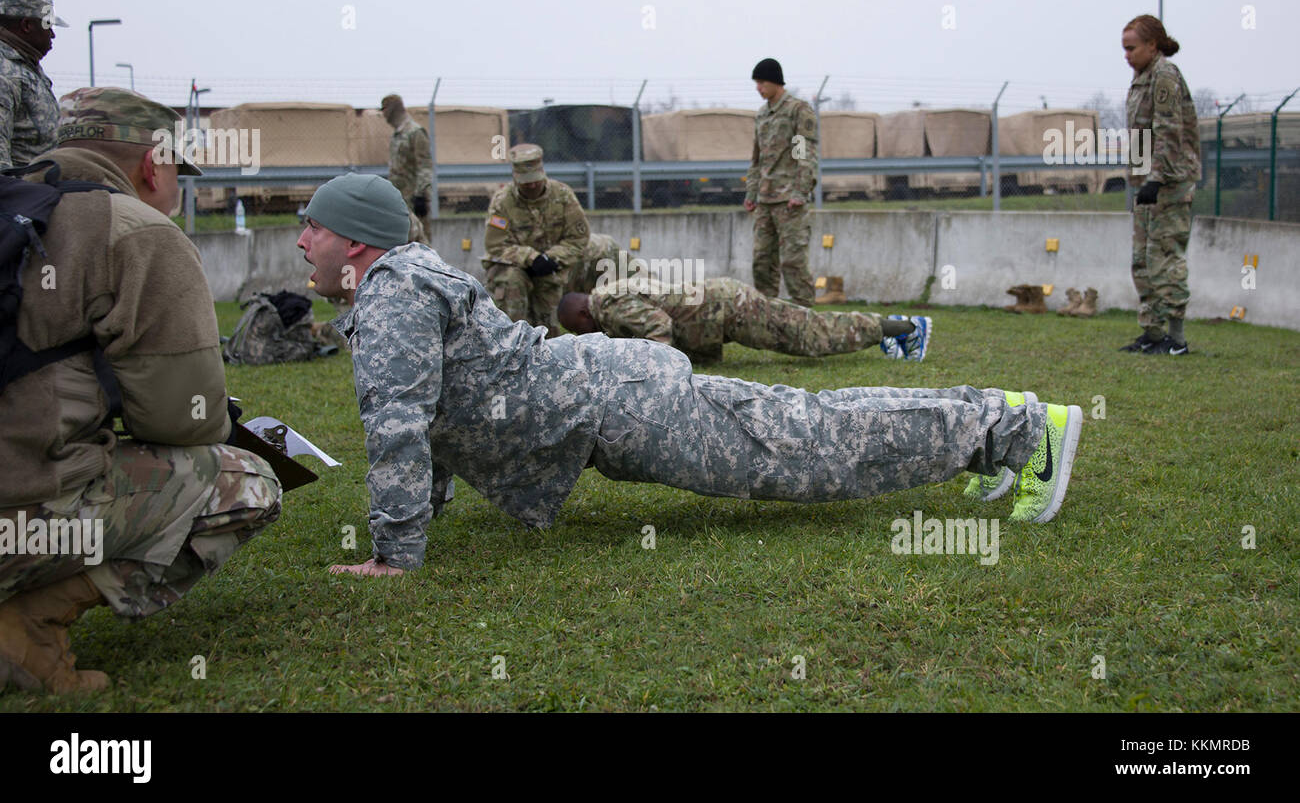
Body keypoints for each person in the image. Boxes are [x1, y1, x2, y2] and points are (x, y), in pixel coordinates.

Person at [296, 175, 1082, 578]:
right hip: (609, 395)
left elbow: (399, 423)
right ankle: (996, 426)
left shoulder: (396, 289)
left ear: (357, 242)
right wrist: (421, 512)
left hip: (618, 403)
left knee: (803, 446)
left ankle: (1016, 429)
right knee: (801, 426)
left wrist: (396, 554)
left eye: (313, 226)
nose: (301, 240)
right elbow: (431, 420)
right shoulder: (401, 280)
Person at [0, 87, 282, 694]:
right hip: (19, 522)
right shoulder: (134, 229)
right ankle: (29, 623)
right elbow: (185, 421)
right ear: (153, 165)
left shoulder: (13, 208)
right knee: (243, 482)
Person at [557, 277, 931, 366]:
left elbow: (659, 328)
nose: (586, 334)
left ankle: (906, 328)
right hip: (724, 305)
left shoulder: (610, 306)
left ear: (583, 315)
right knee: (806, 326)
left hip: (731, 310)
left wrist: (662, 368)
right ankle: (888, 333)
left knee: (809, 336)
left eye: (579, 329)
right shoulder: (611, 291)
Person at [1120, 15, 1201, 356]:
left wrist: (1156, 178)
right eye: (1124, 49)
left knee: (1166, 256)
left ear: (1152, 45)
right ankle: (1151, 332)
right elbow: (1141, 134)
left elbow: (1169, 131)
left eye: (1132, 47)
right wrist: (1139, 179)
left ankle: (1177, 339)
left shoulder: (1164, 75)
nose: (1127, 55)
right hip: (1147, 183)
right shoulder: (1141, 77)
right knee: (1142, 258)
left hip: (1169, 183)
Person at [482, 143, 589, 336]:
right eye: (525, 181)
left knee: (549, 324)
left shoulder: (562, 196)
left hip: (550, 269)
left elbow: (578, 237)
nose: (531, 185)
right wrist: (531, 257)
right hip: (512, 269)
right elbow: (495, 245)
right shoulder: (502, 202)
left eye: (535, 180)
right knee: (511, 282)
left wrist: (550, 258)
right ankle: (512, 343)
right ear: (515, 177)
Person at [745, 58, 818, 307]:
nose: (758, 88)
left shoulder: (798, 110)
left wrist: (801, 191)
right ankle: (766, 317)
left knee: (793, 261)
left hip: (789, 200)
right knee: (762, 260)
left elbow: (804, 154)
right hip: (765, 199)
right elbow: (757, 159)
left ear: (776, 82)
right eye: (756, 83)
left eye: (762, 82)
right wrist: (751, 193)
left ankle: (805, 316)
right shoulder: (762, 115)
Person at [0, 0, 66, 170]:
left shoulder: (24, 65)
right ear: (27, 25)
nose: (52, 34)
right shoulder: (6, 72)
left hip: (36, 189)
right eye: (48, 26)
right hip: (19, 193)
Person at [379, 94, 433, 245]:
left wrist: (421, 195)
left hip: (414, 199)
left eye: (383, 109)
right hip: (401, 200)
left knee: (421, 243)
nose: (382, 115)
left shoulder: (415, 132)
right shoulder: (397, 135)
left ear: (391, 109)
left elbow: (425, 166)